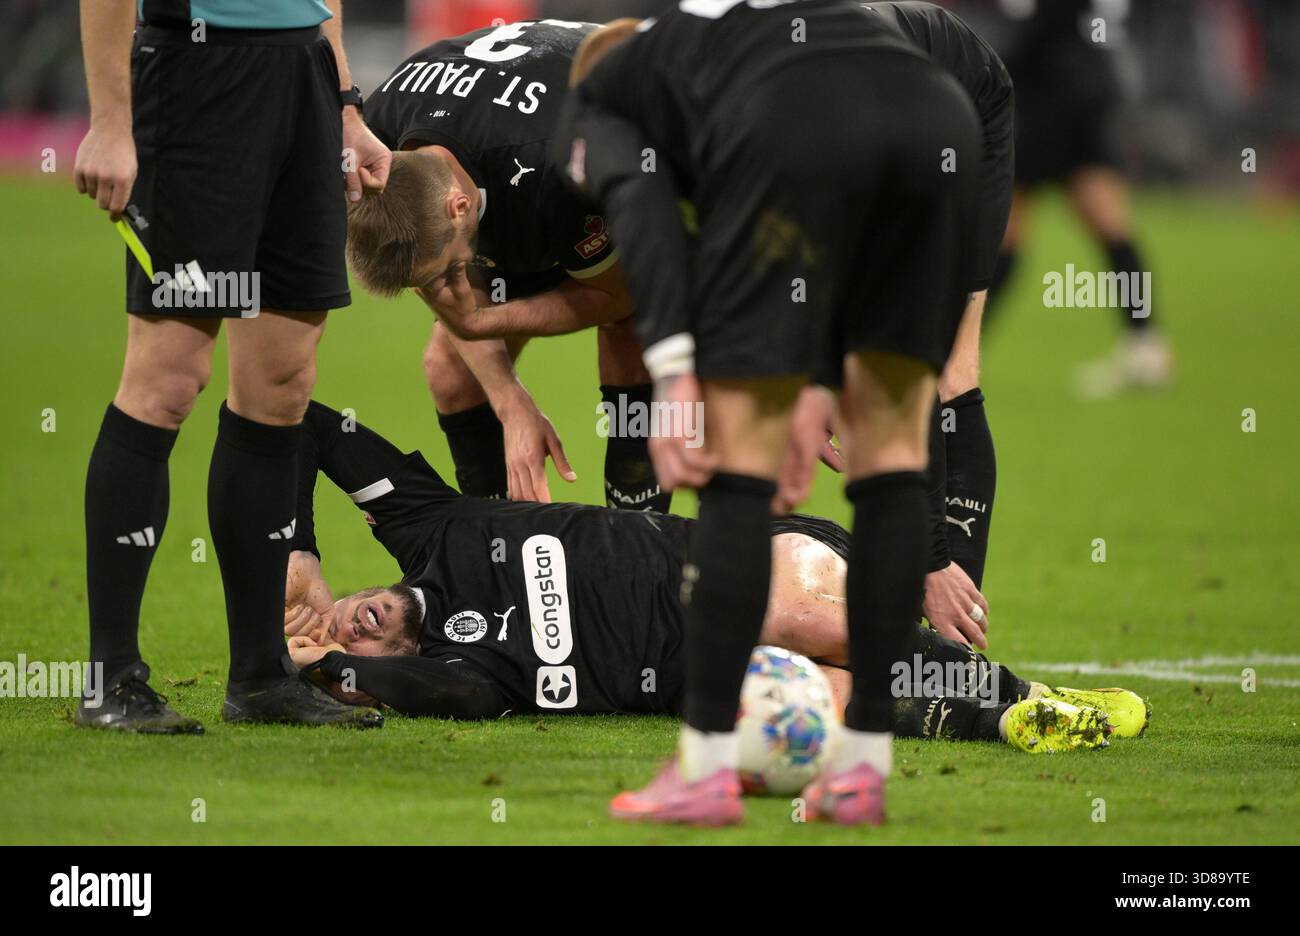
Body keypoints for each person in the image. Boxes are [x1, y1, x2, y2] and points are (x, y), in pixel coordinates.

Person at [553, 0, 995, 826]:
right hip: (938, 117)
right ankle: (863, 767)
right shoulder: (714, 44)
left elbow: (644, 215)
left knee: (739, 470)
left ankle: (706, 768)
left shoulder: (606, 89)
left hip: (795, 125)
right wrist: (820, 381)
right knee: (893, 449)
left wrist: (677, 375)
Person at [280, 401, 1146, 751]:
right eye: (370, 642)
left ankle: (1018, 690)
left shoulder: (427, 524)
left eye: (353, 616)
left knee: (801, 615)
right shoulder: (467, 670)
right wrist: (331, 671)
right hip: (706, 673)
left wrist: (301, 558)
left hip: (736, 565)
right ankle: (1027, 718)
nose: (362, 623)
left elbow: (307, 424)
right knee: (827, 704)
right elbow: (449, 701)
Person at [72, 0, 388, 732]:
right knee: (170, 376)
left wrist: (343, 104)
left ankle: (262, 676)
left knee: (282, 384)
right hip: (193, 78)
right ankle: (110, 678)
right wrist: (111, 120)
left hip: (303, 77)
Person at [345, 20, 670, 512]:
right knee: (451, 371)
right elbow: (425, 264)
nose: (446, 291)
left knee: (628, 328)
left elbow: (617, 294)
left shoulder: (556, 166)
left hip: (628, 158)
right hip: (508, 176)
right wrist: (510, 400)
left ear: (458, 208)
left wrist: (483, 321)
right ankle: (498, 561)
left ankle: (637, 544)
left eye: (448, 274)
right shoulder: (378, 142)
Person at [985, 0, 1174, 398]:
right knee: (1106, 221)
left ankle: (961, 352)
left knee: (1009, 223)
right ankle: (1146, 343)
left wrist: (990, 68)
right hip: (1082, 91)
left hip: (1055, 97)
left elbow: (1043, 25)